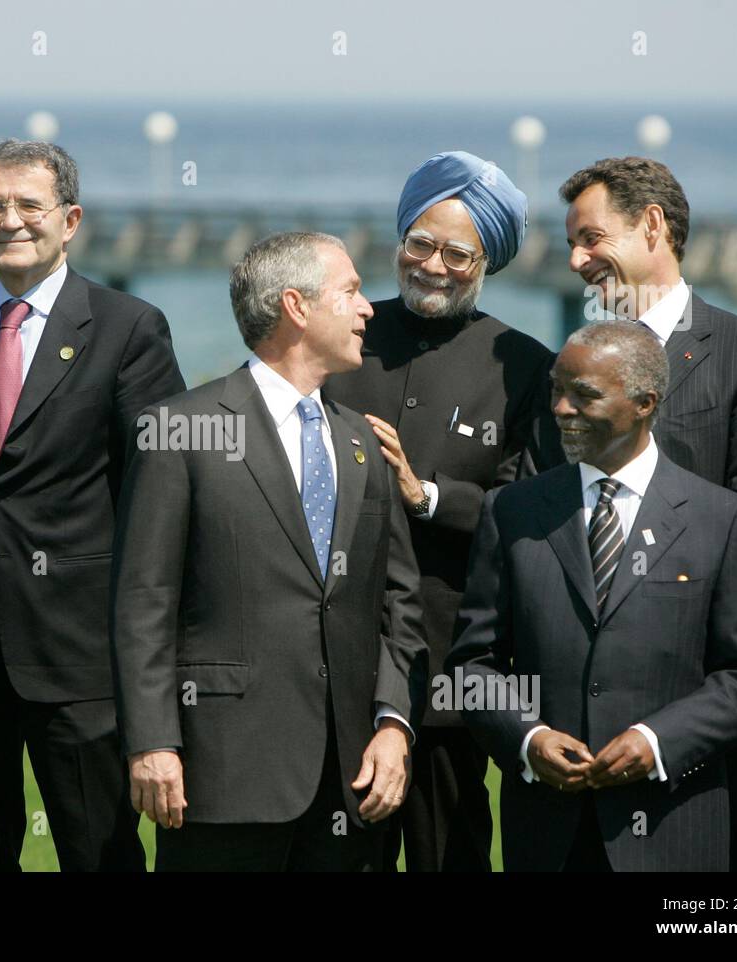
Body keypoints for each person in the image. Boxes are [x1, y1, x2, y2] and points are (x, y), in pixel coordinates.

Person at [0, 139, 185, 871]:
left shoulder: (129, 328)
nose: (9, 220)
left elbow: (158, 493)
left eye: (29, 204)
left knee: (100, 855)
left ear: (71, 219)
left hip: (79, 651)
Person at [111, 231, 428, 871]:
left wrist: (394, 725)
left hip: (354, 780)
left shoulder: (363, 444)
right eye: (351, 291)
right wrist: (151, 741)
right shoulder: (180, 430)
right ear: (296, 306)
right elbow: (144, 601)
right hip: (223, 773)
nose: (369, 308)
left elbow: (400, 602)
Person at [560, 157, 737, 870]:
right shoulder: (568, 369)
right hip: (586, 693)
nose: (578, 260)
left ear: (651, 225)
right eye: (572, 244)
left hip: (725, 684)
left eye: (591, 237)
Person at [447, 321, 737, 871]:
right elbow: (471, 664)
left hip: (675, 827)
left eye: (585, 395)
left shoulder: (722, 519)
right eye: (558, 388)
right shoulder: (510, 510)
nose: (560, 408)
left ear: (646, 403)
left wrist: (657, 741)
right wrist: (527, 739)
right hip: (548, 832)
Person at [325, 150, 561, 872]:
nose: (433, 264)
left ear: (486, 260)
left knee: (449, 853)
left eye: (458, 252)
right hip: (332, 651)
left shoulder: (524, 364)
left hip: (452, 658)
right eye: (419, 244)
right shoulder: (343, 336)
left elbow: (534, 512)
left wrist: (423, 495)